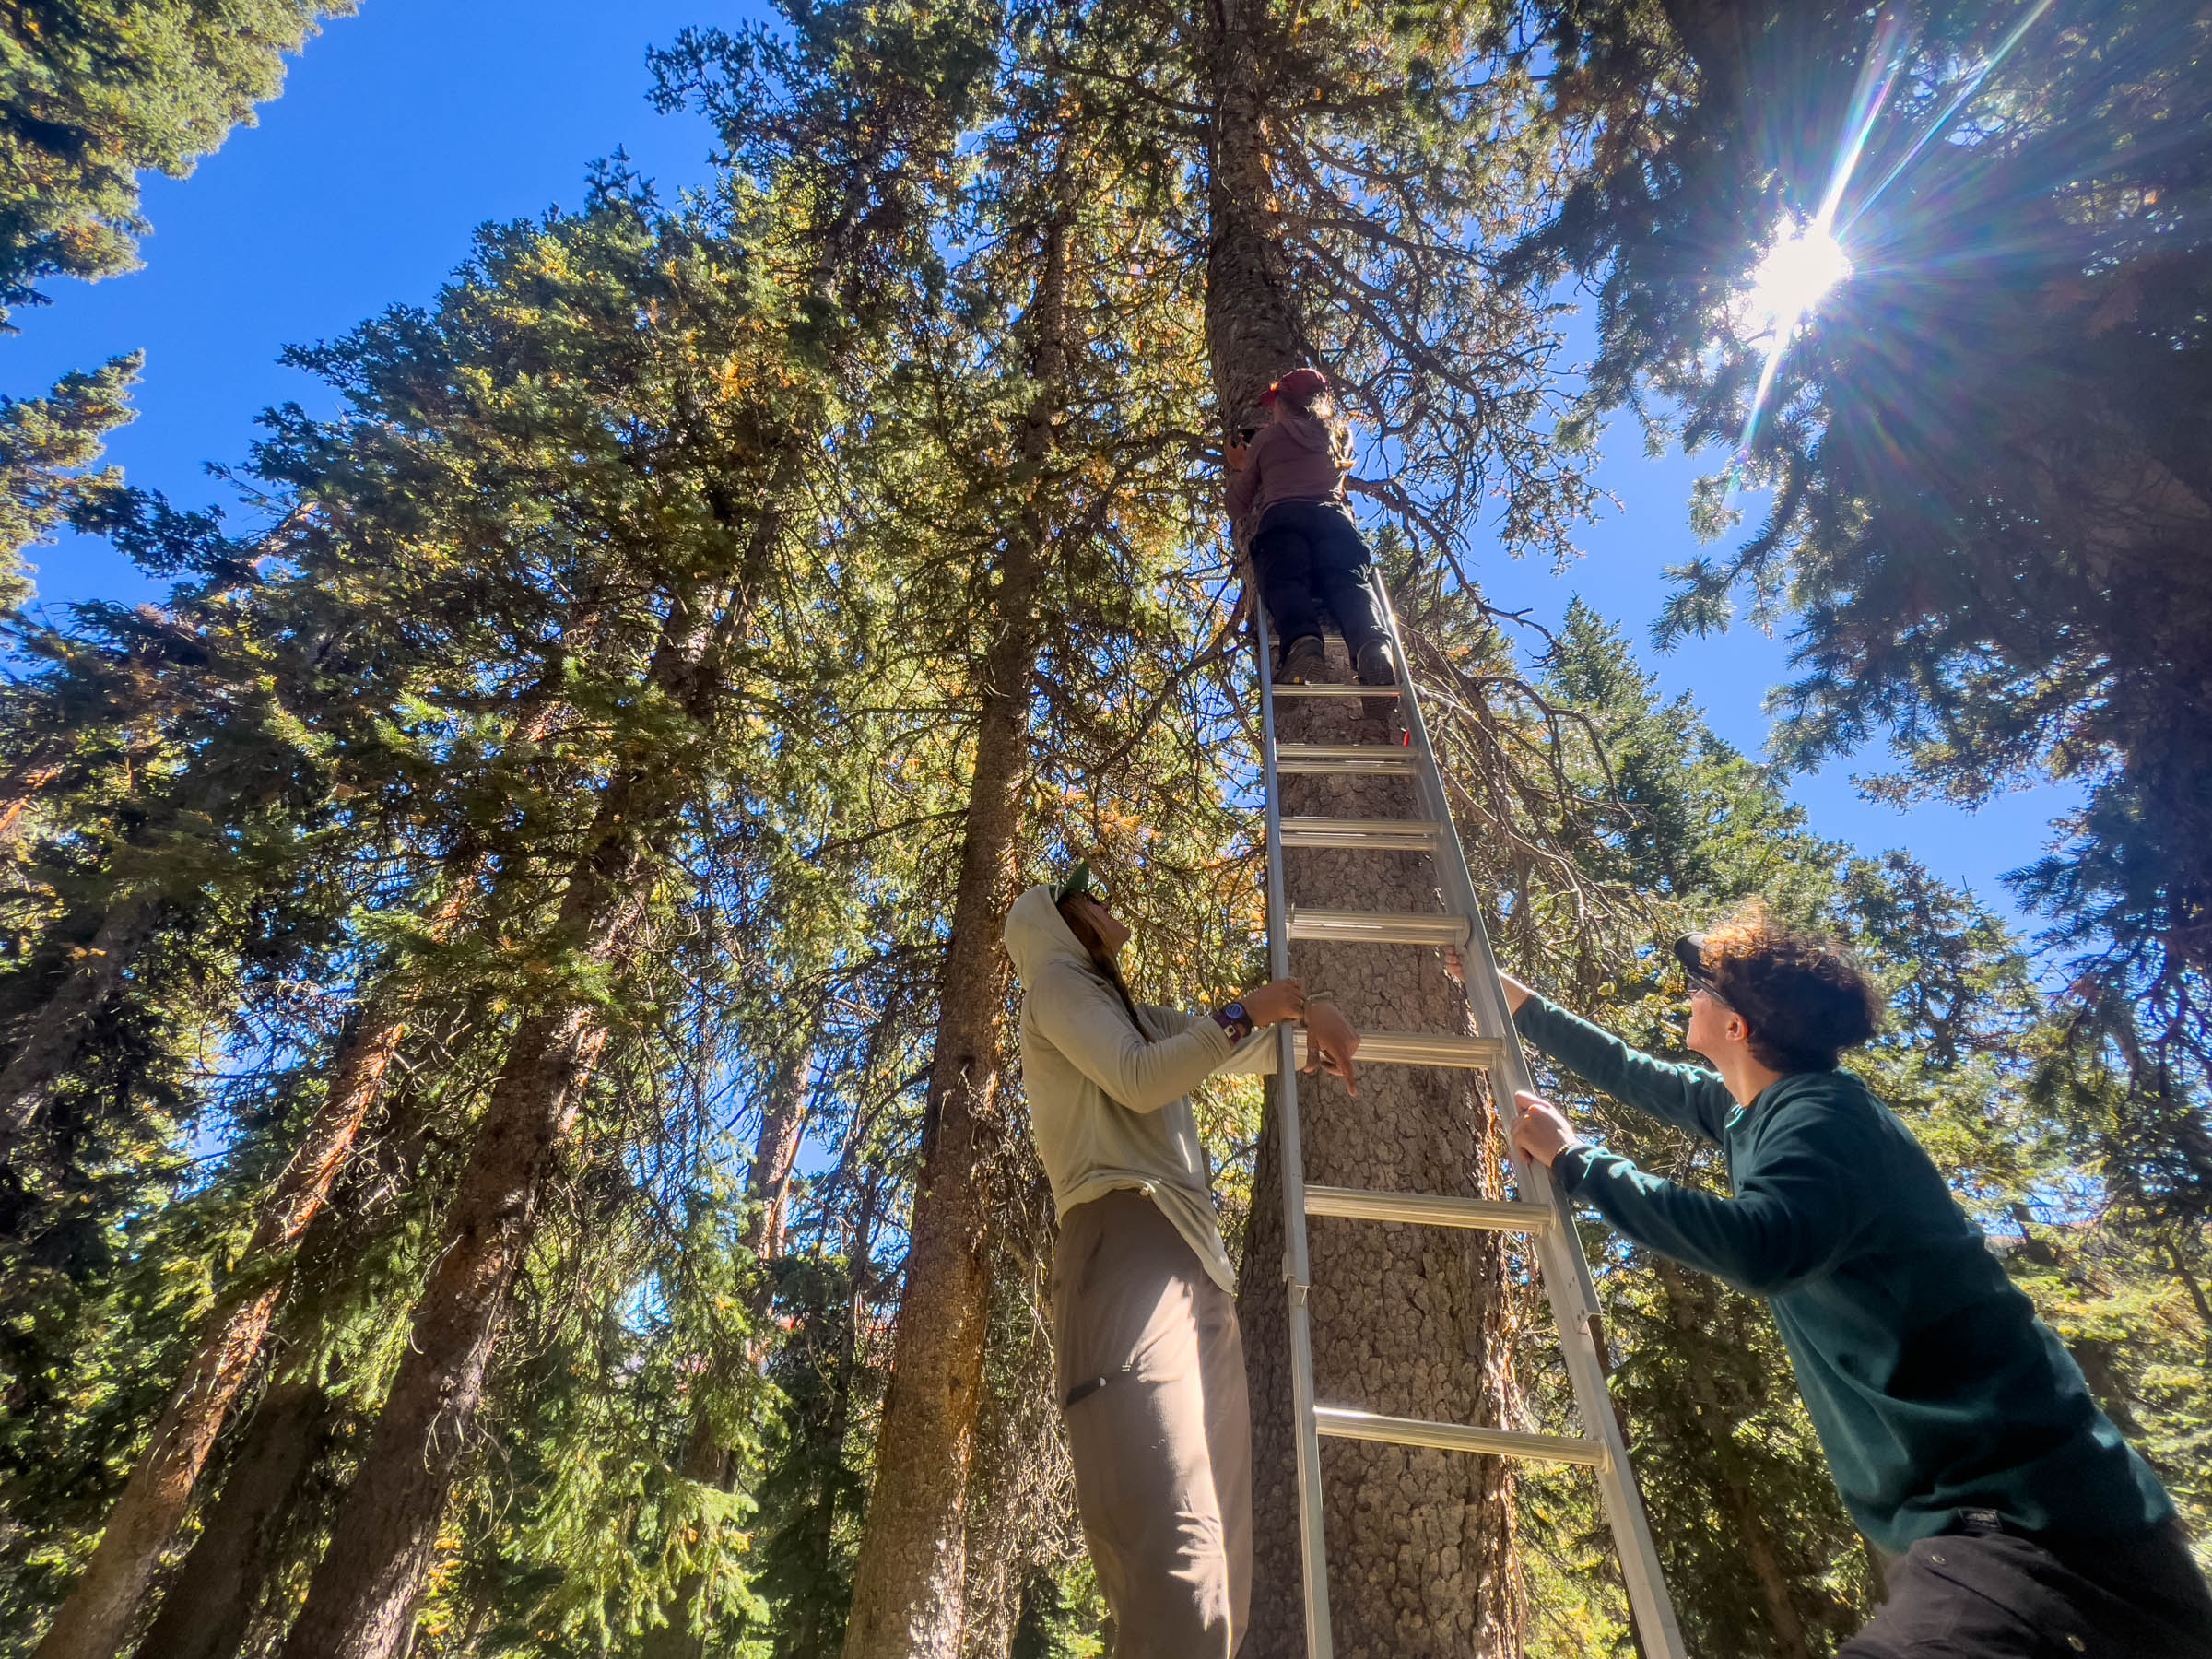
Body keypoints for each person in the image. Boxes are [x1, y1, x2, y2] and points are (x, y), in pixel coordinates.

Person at [1496, 900, 2212, 1658]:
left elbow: (1764, 1246)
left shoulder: (1826, 1119)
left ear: (1737, 1027)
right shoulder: (1758, 1109)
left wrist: (1579, 1162)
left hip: (2036, 1521)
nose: (1688, 997)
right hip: (1998, 1525)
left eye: (1702, 989)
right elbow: (1632, 1073)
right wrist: (1516, 1002)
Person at [1002, 863, 1359, 1658]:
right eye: (1086, 895)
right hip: (1124, 1250)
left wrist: (1310, 1024)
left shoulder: (1123, 1010)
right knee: (1178, 1576)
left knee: (1223, 1583)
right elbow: (1142, 1079)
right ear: (1060, 921)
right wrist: (1246, 1009)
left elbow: (1227, 1051)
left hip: (1193, 1261)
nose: (1105, 902)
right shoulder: (1055, 988)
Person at [1224, 365, 1394, 687]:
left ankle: (1304, 644)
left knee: (1285, 580)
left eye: (1275, 405)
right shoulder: (1337, 439)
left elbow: (1238, 503)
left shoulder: (1266, 438)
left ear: (1282, 404)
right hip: (1334, 520)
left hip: (1284, 518)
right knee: (1349, 581)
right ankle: (1373, 647)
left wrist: (1238, 465)